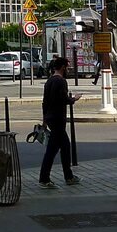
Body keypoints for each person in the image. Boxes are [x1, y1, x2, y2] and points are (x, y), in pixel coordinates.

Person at [39, 57, 82, 189]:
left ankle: (68, 176)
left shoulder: (49, 81)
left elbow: (45, 102)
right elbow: (63, 99)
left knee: (63, 147)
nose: (68, 69)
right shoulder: (61, 81)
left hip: (51, 118)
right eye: (67, 67)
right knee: (54, 150)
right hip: (58, 119)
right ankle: (45, 178)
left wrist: (45, 119)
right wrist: (73, 99)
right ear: (63, 67)